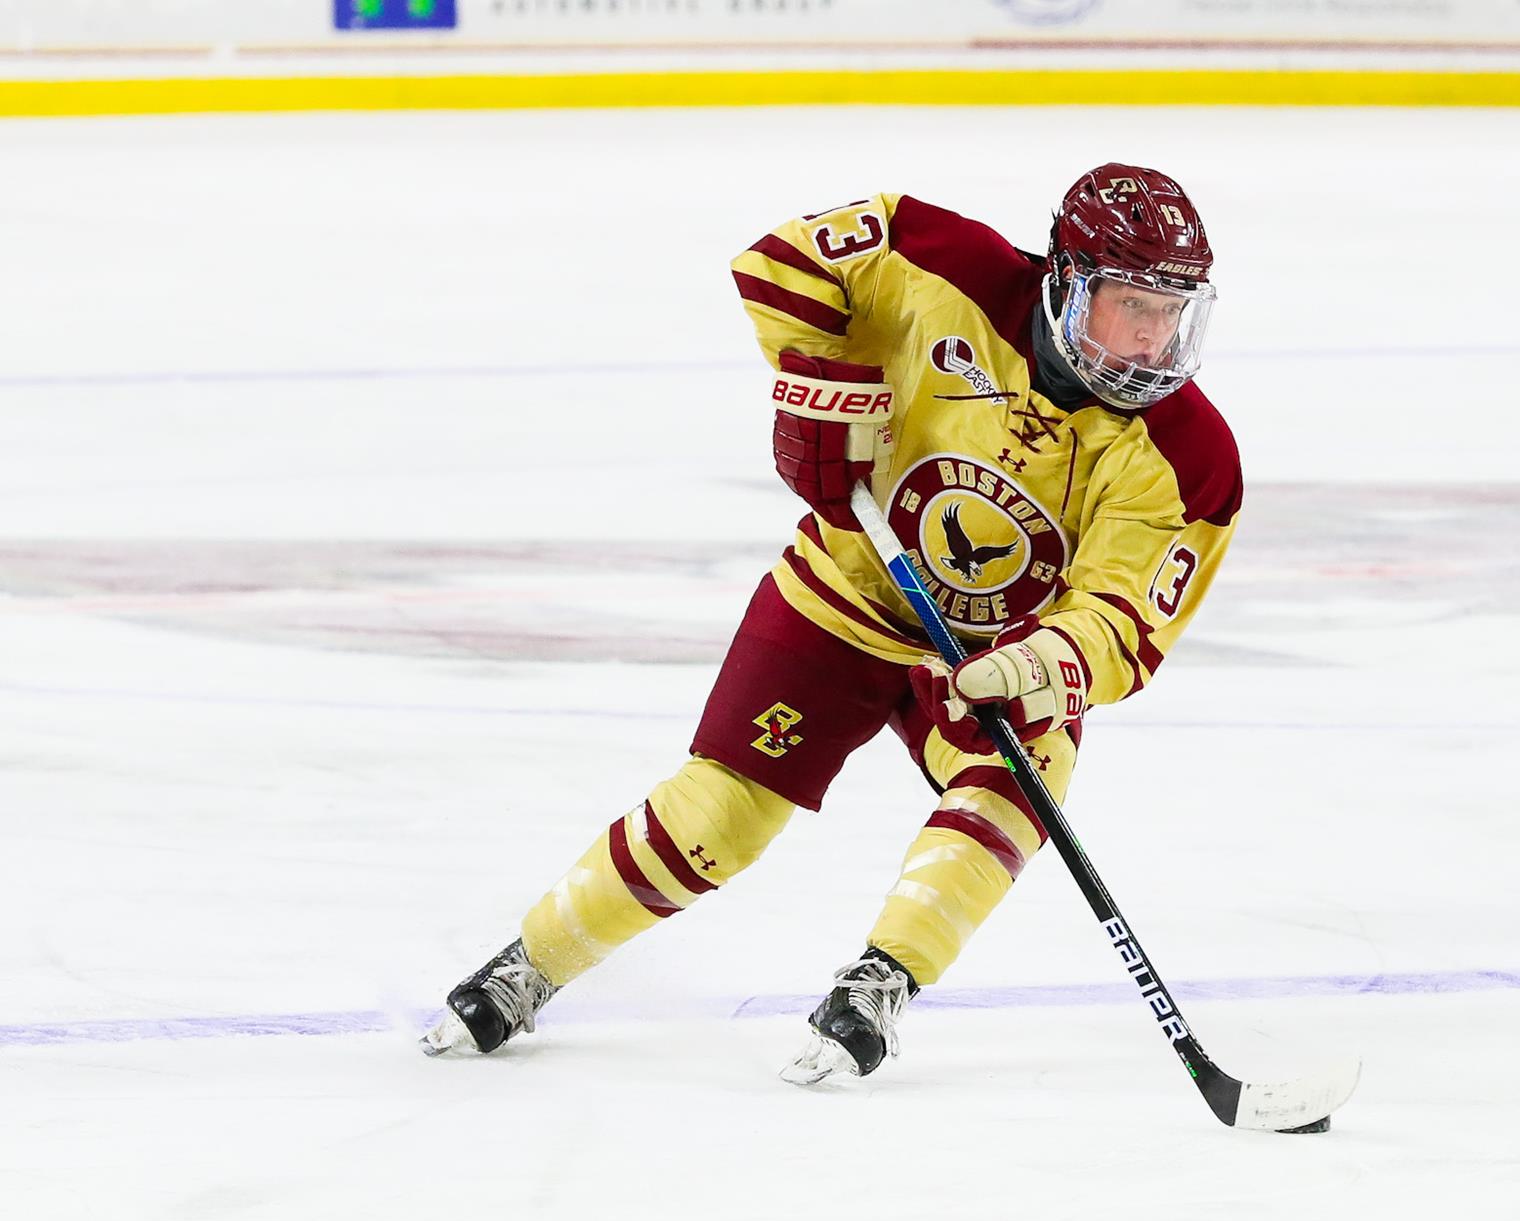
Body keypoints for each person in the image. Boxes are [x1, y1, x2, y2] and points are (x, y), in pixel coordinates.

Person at [421, 164, 1241, 1084]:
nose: (1150, 336)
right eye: (1129, 303)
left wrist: (1041, 662)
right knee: (721, 814)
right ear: (1065, 280)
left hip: (984, 658)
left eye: (1169, 312)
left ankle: (879, 983)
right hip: (842, 592)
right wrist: (827, 384)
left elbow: (1119, 618)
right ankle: (530, 965)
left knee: (1019, 778)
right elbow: (782, 265)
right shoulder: (941, 262)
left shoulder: (1189, 457)